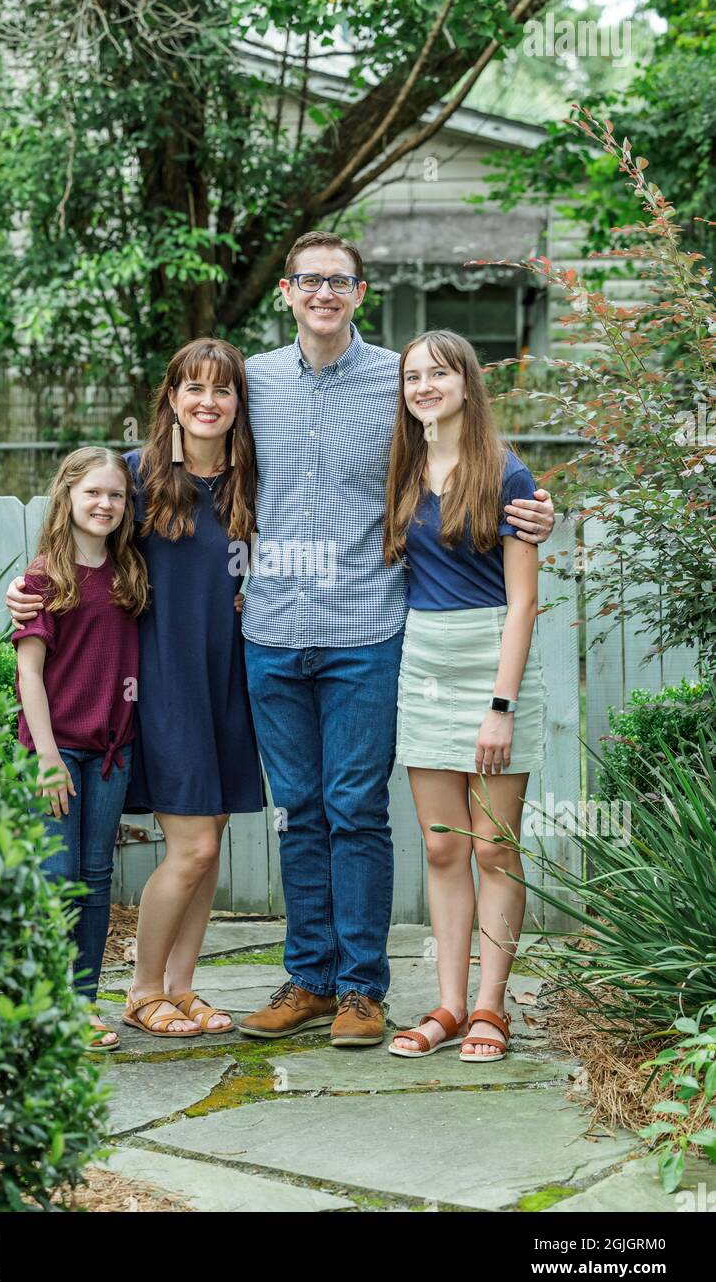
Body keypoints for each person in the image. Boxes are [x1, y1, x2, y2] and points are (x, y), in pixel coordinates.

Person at [238, 232, 556, 1049]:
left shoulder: (396, 379)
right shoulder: (253, 379)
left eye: (337, 281)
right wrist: (92, 509)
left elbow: (481, 463)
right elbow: (194, 450)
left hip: (371, 631)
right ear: (285, 291)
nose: (321, 293)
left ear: (358, 291)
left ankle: (361, 991)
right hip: (271, 628)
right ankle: (308, 978)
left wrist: (535, 511)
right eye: (307, 280)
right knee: (299, 812)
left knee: (356, 811)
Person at [8, 339, 265, 1039]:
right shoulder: (136, 475)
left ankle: (182, 987)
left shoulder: (251, 480)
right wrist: (24, 589)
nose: (207, 402)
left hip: (231, 680)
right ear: (171, 398)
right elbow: (73, 535)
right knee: (193, 848)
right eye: (193, 388)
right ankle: (141, 988)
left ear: (239, 403)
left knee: (210, 838)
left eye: (223, 390)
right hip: (159, 683)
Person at [385, 330, 545, 1063]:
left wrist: (499, 706)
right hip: (423, 662)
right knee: (442, 848)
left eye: (437, 374)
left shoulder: (507, 474)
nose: (423, 386)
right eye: (412, 376)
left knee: (492, 850)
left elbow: (521, 604)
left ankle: (490, 1007)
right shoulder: (401, 468)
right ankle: (448, 1003)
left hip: (491, 665)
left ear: (464, 384)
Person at [12, 446, 148, 1051]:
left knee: (95, 879)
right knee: (56, 877)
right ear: (67, 495)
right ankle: (46, 1006)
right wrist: (45, 757)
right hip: (57, 753)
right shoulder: (45, 577)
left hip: (111, 751)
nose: (105, 504)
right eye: (93, 492)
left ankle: (84, 1003)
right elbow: (29, 674)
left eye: (116, 495)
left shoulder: (131, 572)